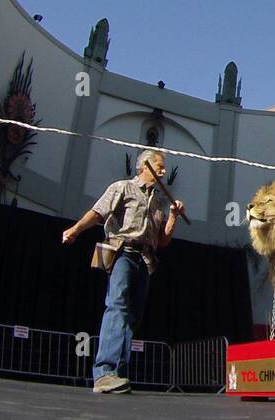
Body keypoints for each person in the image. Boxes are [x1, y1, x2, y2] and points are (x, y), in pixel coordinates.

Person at [62, 149, 184, 394]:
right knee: (117, 306)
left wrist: (173, 217)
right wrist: (75, 230)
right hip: (123, 252)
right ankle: (105, 372)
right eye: (159, 166)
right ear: (144, 167)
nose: (163, 171)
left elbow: (163, 241)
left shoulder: (159, 202)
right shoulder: (123, 188)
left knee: (132, 316)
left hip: (146, 258)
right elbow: (97, 213)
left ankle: (118, 372)